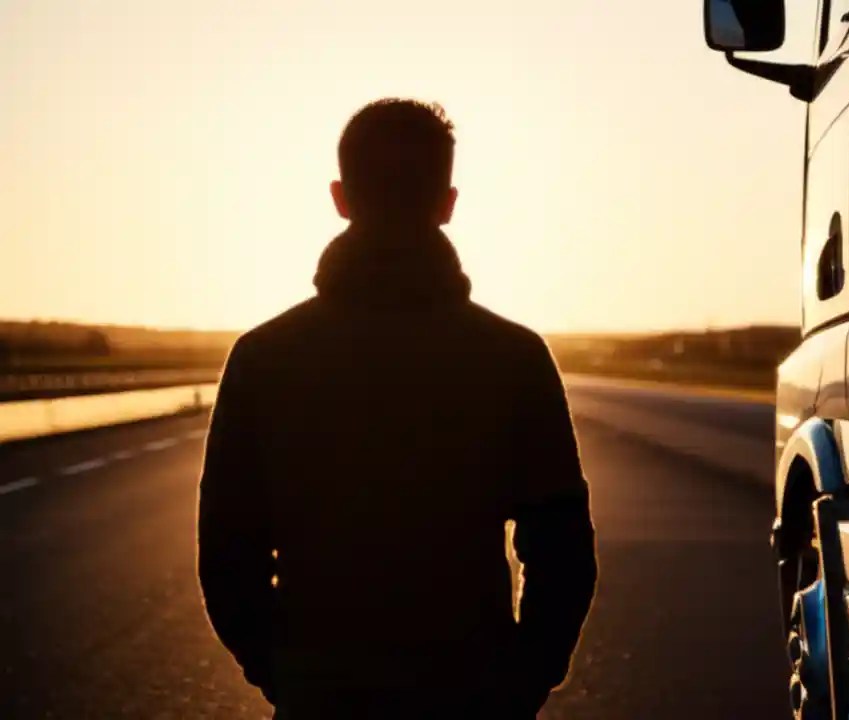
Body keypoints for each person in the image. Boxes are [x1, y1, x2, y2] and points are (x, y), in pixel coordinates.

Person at [197, 98, 598, 718]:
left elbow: (228, 554)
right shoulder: (513, 357)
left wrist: (288, 675)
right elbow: (563, 550)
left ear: (339, 196)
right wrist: (520, 683)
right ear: (448, 203)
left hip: (320, 695)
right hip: (473, 692)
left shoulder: (264, 356)